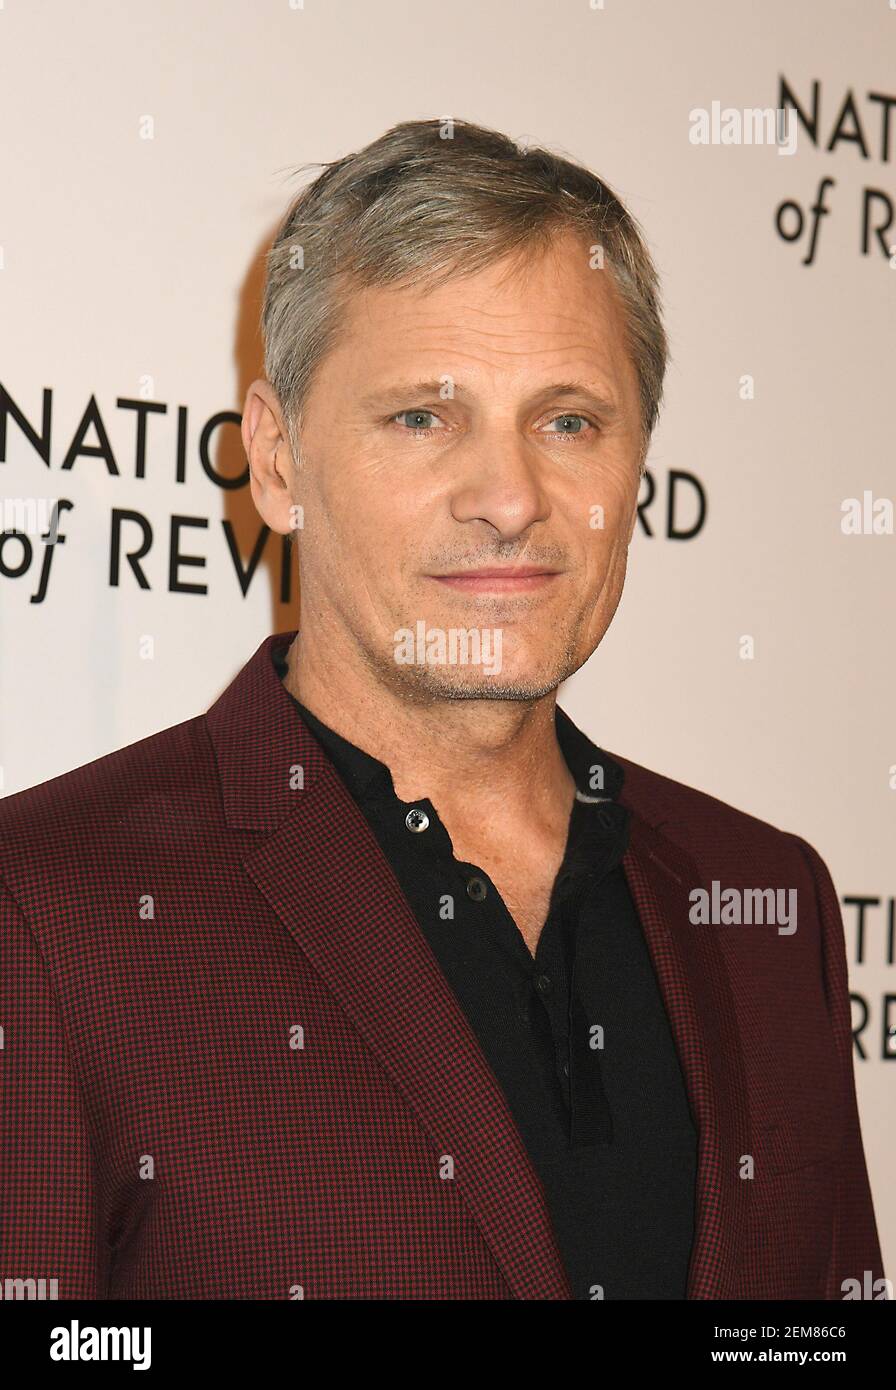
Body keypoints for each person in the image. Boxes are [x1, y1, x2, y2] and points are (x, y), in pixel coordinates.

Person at [0, 118, 883, 1300]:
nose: (509, 497)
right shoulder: (48, 908)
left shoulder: (767, 902)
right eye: (423, 416)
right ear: (273, 459)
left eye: (566, 419)